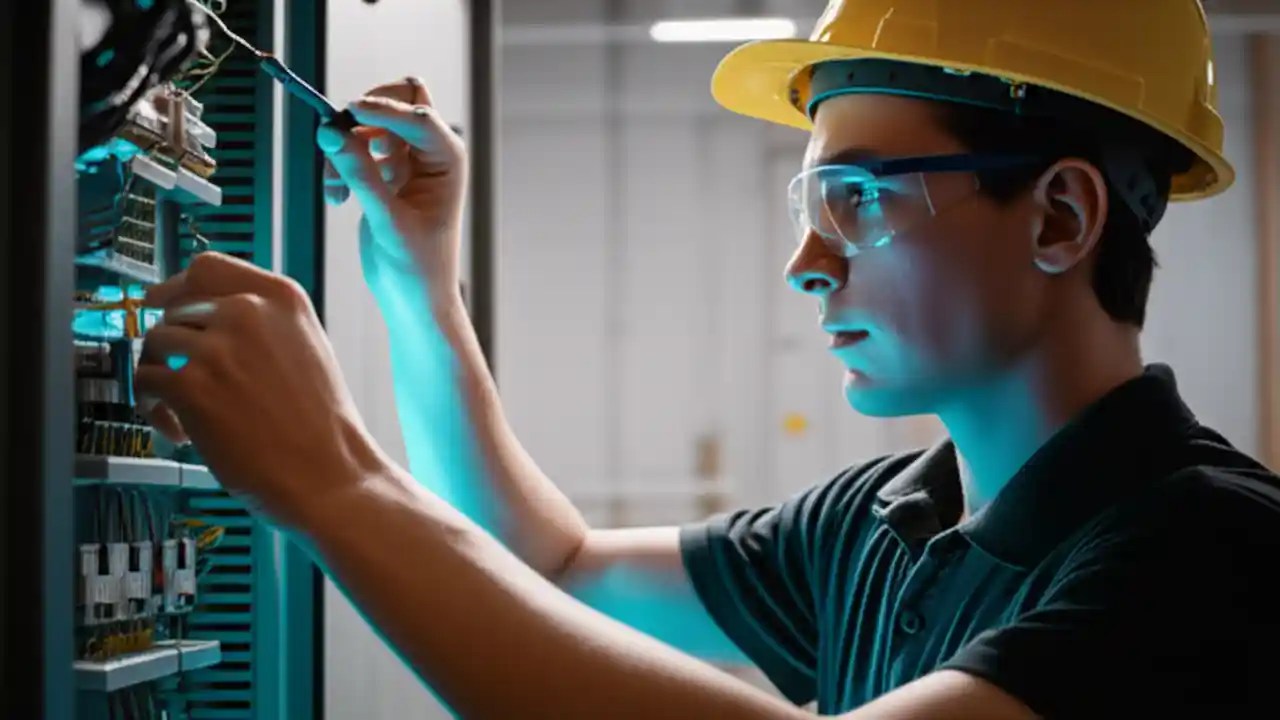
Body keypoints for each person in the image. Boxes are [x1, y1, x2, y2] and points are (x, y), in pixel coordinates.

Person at [136, 0, 1280, 716]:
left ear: (1057, 220)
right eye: (808, 197)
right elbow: (553, 564)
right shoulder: (881, 521)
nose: (805, 262)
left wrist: (337, 487)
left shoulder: (1211, 549)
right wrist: (415, 280)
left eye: (854, 198)